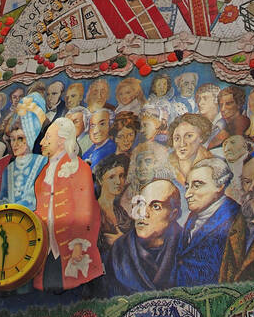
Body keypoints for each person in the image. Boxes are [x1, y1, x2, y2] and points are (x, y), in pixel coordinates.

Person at [33, 117, 104, 292]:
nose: (42, 142)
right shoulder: (44, 173)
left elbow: (84, 208)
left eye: (48, 137)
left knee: (78, 288)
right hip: (48, 247)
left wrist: (79, 244)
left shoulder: (78, 167)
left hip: (72, 248)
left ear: (62, 140)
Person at [107, 178, 182, 294]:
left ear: (173, 214)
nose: (143, 213)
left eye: (156, 206)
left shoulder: (186, 244)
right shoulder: (118, 250)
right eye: (141, 204)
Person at [174, 157, 239, 286]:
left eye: (197, 186)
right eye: (187, 187)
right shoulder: (193, 216)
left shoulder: (235, 217)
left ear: (220, 186)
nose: (187, 194)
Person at [95, 153, 129, 256]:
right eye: (112, 177)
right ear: (100, 180)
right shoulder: (93, 211)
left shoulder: (121, 213)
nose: (118, 182)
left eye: (121, 176)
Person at [168, 112, 213, 184]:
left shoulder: (212, 168)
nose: (182, 144)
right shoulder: (165, 168)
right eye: (177, 138)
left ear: (201, 137)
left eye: (189, 136)